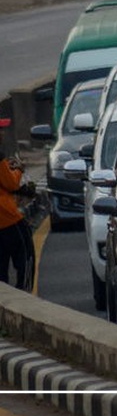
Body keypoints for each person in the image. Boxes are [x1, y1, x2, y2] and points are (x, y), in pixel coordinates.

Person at [0, 119, 35, 291]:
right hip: (8, 219)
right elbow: (11, 184)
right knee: (26, 259)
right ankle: (25, 296)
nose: (3, 133)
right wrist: (18, 170)